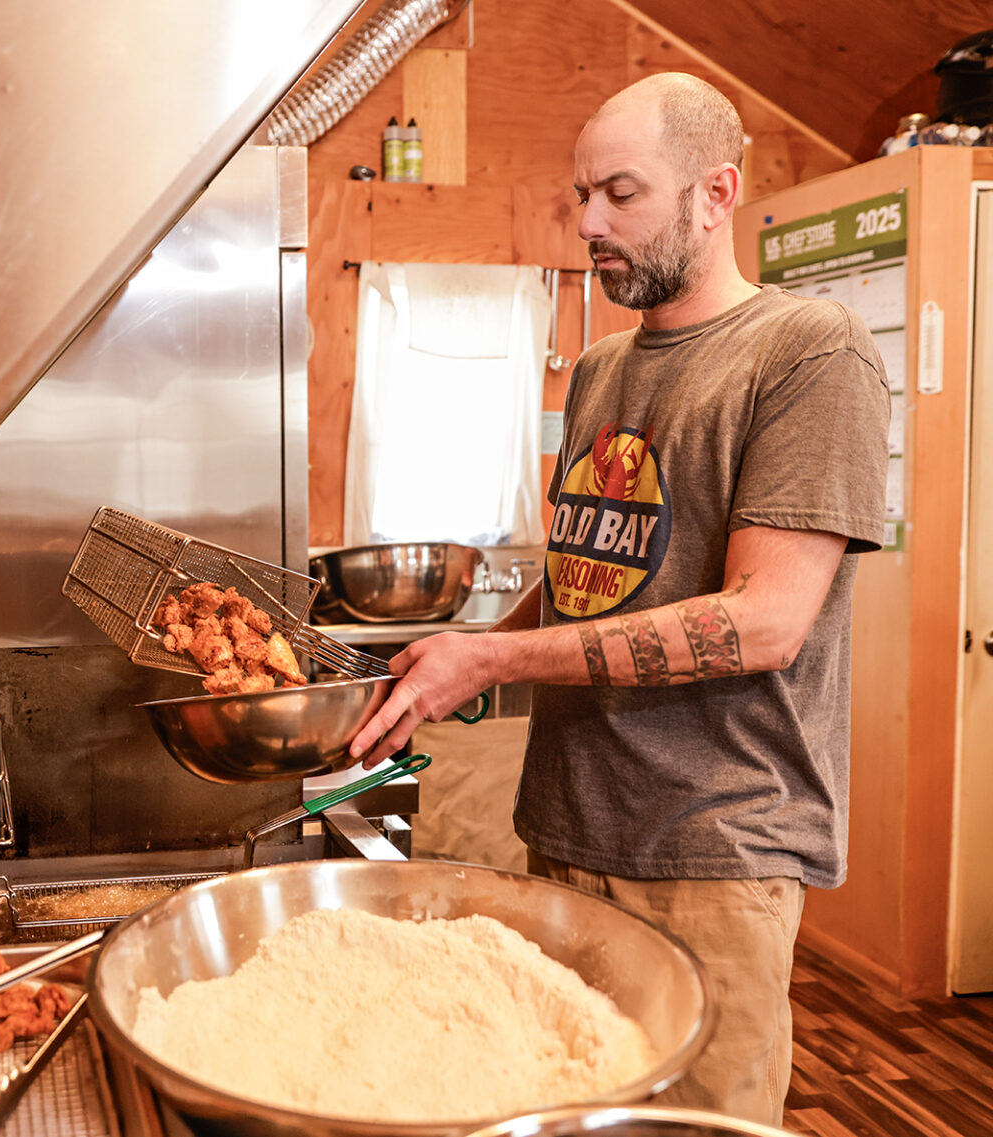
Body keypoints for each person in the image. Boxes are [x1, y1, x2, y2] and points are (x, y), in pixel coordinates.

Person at [349, 72, 890, 1125]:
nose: (589, 223)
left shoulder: (808, 353)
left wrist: (495, 665)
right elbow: (589, 581)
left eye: (622, 195)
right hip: (565, 833)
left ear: (716, 193)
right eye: (582, 194)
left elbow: (765, 619)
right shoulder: (601, 369)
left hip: (709, 856)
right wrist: (439, 665)